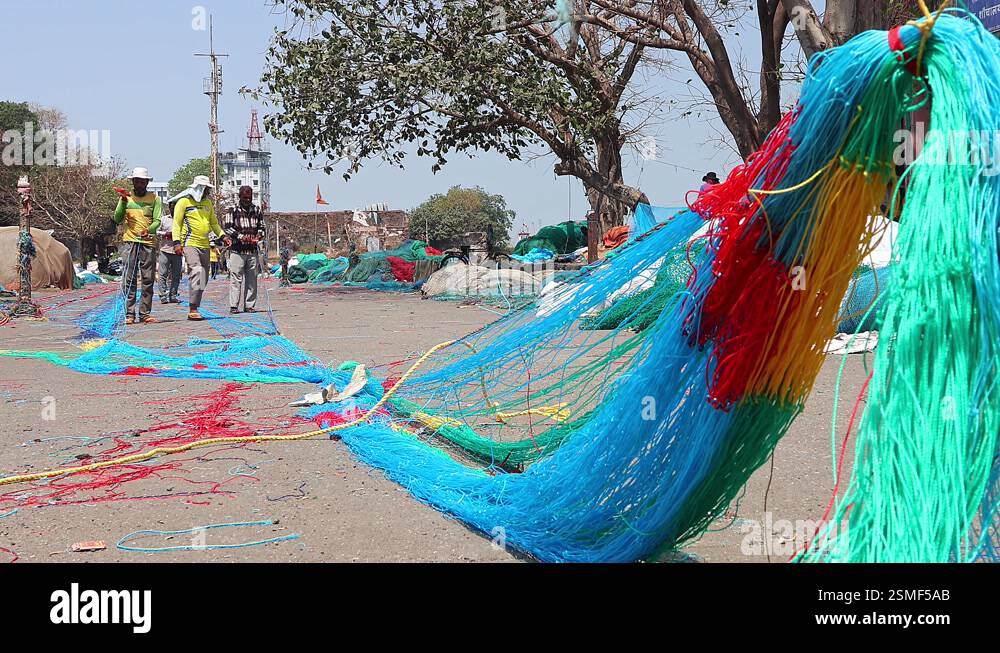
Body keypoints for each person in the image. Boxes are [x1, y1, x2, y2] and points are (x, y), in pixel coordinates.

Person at [171, 175, 230, 321]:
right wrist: (176, 242)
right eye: (205, 189)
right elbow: (177, 224)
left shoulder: (208, 203)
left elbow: (214, 224)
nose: (207, 192)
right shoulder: (184, 202)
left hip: (205, 245)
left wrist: (223, 236)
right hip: (190, 243)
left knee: (203, 276)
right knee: (196, 271)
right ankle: (193, 308)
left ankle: (196, 303)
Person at [113, 167, 161, 325]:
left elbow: (157, 220)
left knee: (148, 279)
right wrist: (123, 203)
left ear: (147, 183)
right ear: (133, 182)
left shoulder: (154, 198)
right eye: (137, 181)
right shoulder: (126, 198)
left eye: (143, 182)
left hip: (148, 243)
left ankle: (145, 313)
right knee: (129, 279)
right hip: (130, 242)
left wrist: (150, 229)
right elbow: (117, 218)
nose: (140, 184)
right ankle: (130, 314)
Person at [224, 185, 266, 313]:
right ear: (240, 197)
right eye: (245, 197)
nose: (247, 200)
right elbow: (227, 227)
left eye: (249, 197)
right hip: (237, 251)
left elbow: (262, 226)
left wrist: (258, 235)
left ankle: (249, 305)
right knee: (236, 279)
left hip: (252, 251)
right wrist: (242, 237)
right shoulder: (232, 210)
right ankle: (234, 306)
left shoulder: (256, 210)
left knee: (252, 280)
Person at [155, 201, 182, 304]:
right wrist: (165, 233)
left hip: (177, 251)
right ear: (169, 208)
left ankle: (173, 295)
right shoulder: (164, 219)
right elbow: (156, 231)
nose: (173, 209)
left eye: (176, 208)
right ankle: (163, 296)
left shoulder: (182, 220)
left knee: (176, 275)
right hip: (165, 250)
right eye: (172, 208)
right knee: (162, 274)